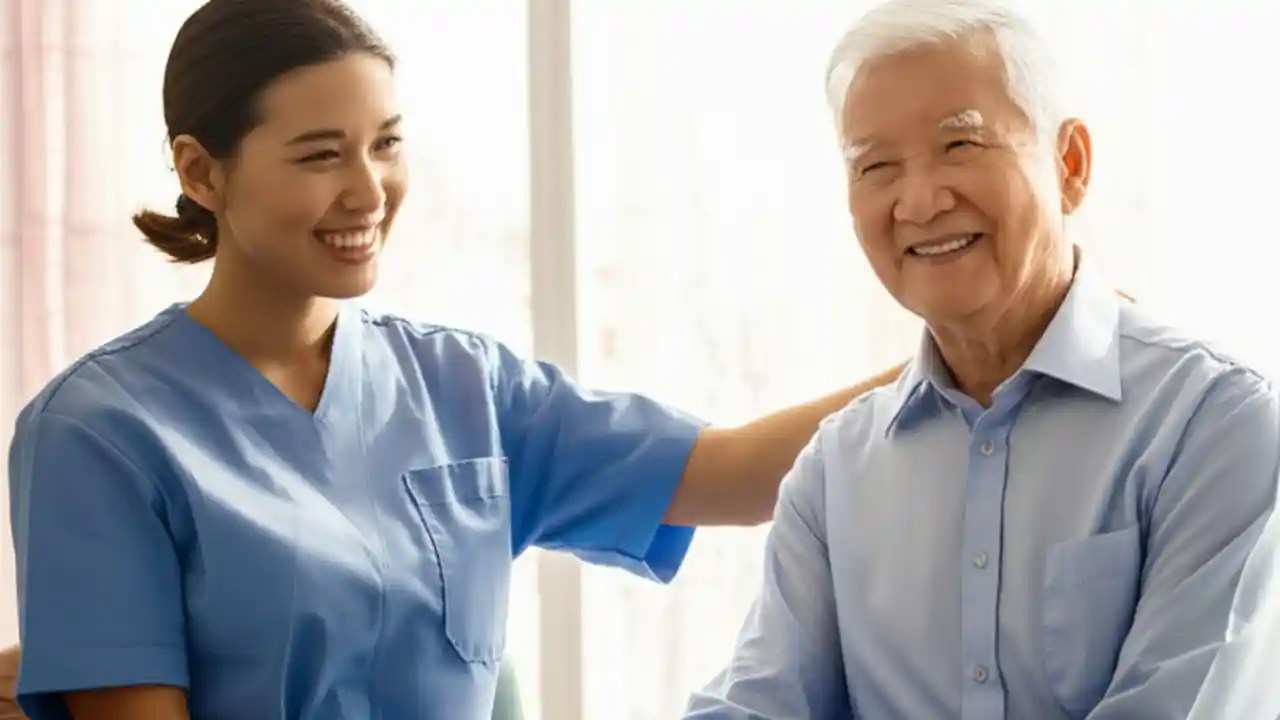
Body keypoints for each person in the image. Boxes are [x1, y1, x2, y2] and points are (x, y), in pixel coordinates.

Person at [4, 1, 910, 719]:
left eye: (386, 144)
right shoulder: (99, 434)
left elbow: (732, 472)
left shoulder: (462, 386)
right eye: (321, 155)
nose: (369, 191)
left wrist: (969, 350)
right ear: (201, 173)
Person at [684, 1, 1280, 718]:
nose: (921, 200)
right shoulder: (834, 470)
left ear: (1070, 165)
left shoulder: (1213, 425)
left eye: (960, 146)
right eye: (876, 165)